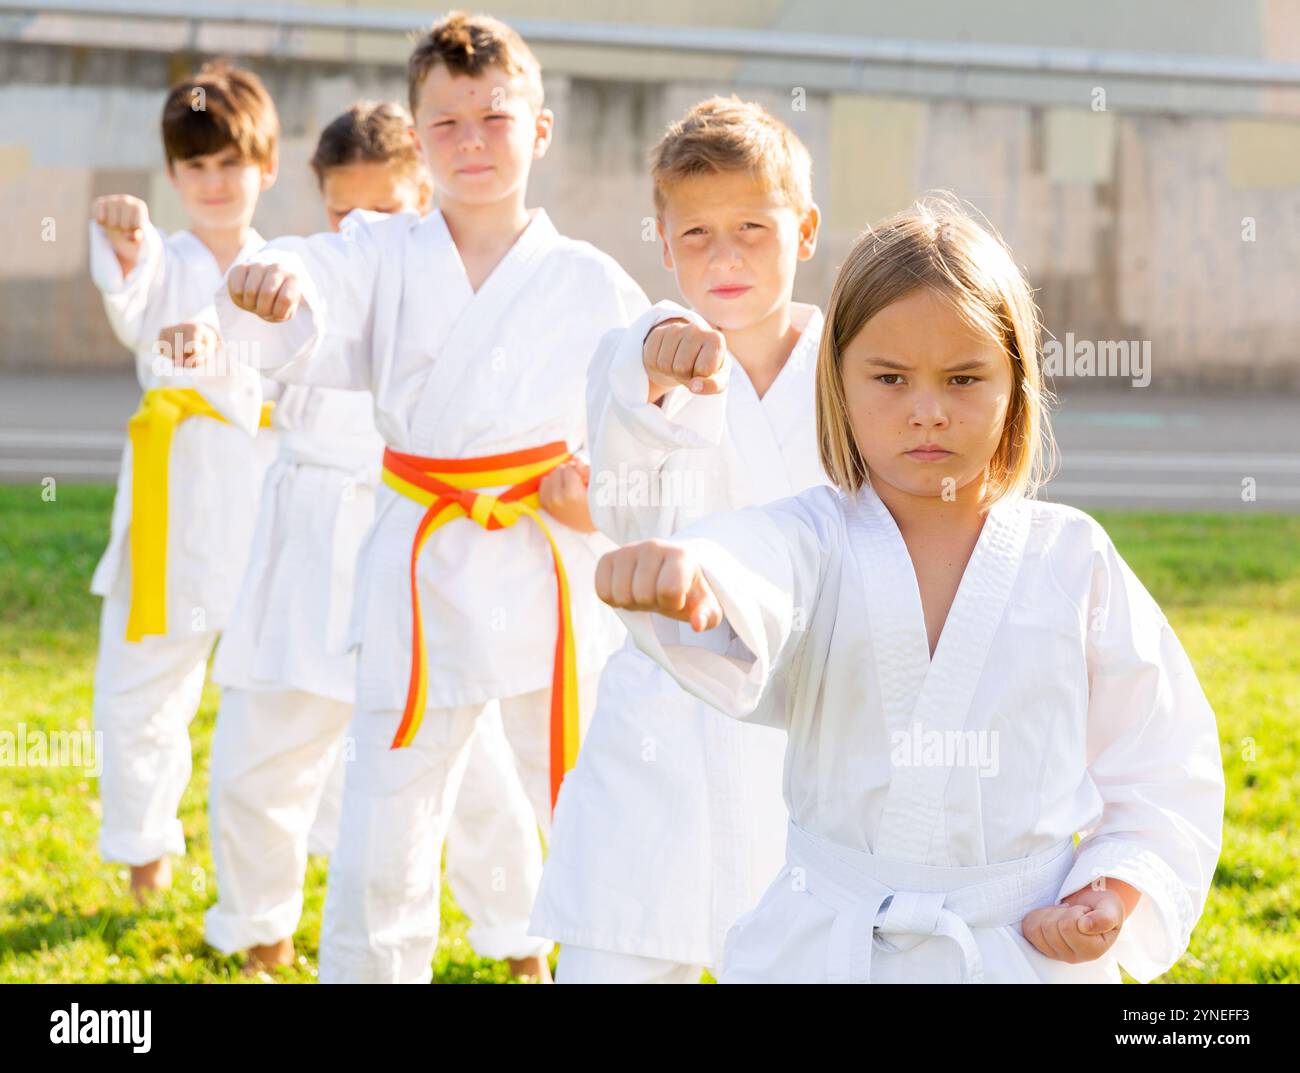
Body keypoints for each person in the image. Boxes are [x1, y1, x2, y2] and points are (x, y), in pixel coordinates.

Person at [594, 195, 1225, 983]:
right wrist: (695, 577)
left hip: (1012, 946)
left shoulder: (1072, 559)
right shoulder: (812, 538)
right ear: (839, 382)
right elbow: (752, 560)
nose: (927, 412)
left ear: (1017, 383)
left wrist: (1114, 886)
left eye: (964, 378)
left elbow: (1162, 755)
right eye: (889, 378)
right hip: (830, 945)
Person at [215, 11, 648, 983]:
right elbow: (318, 276)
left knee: (581, 796)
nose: (470, 144)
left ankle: (611, 962)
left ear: (539, 129)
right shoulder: (377, 249)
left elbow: (648, 408)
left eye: (493, 119)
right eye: (445, 125)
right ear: (417, 138)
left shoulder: (589, 280)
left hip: (541, 562)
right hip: (422, 564)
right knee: (385, 820)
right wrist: (279, 278)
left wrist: (620, 462)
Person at [202, 100, 550, 980]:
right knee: (256, 756)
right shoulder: (311, 279)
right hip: (304, 558)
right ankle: (261, 928)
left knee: (472, 783)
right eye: (341, 214)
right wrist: (257, 301)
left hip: (417, 564)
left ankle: (520, 936)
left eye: (387, 212)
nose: (361, 231)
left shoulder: (474, 295)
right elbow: (254, 324)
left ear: (426, 194)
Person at [533, 97, 824, 983]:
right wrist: (656, 374)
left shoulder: (852, 371)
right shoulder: (637, 353)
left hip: (807, 714)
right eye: (694, 233)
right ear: (660, 243)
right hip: (662, 714)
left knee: (799, 948)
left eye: (751, 226)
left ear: (805, 229)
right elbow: (622, 503)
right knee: (617, 946)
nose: (724, 254)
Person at [87, 61, 280, 902]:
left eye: (230, 163)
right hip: (169, 500)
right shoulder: (159, 256)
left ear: (266, 168)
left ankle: (278, 862)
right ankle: (144, 853)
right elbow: (131, 303)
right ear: (171, 175)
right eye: (194, 167)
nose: (213, 182)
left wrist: (228, 362)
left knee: (277, 687)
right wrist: (124, 239)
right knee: (137, 684)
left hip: (262, 495)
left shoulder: (291, 269)